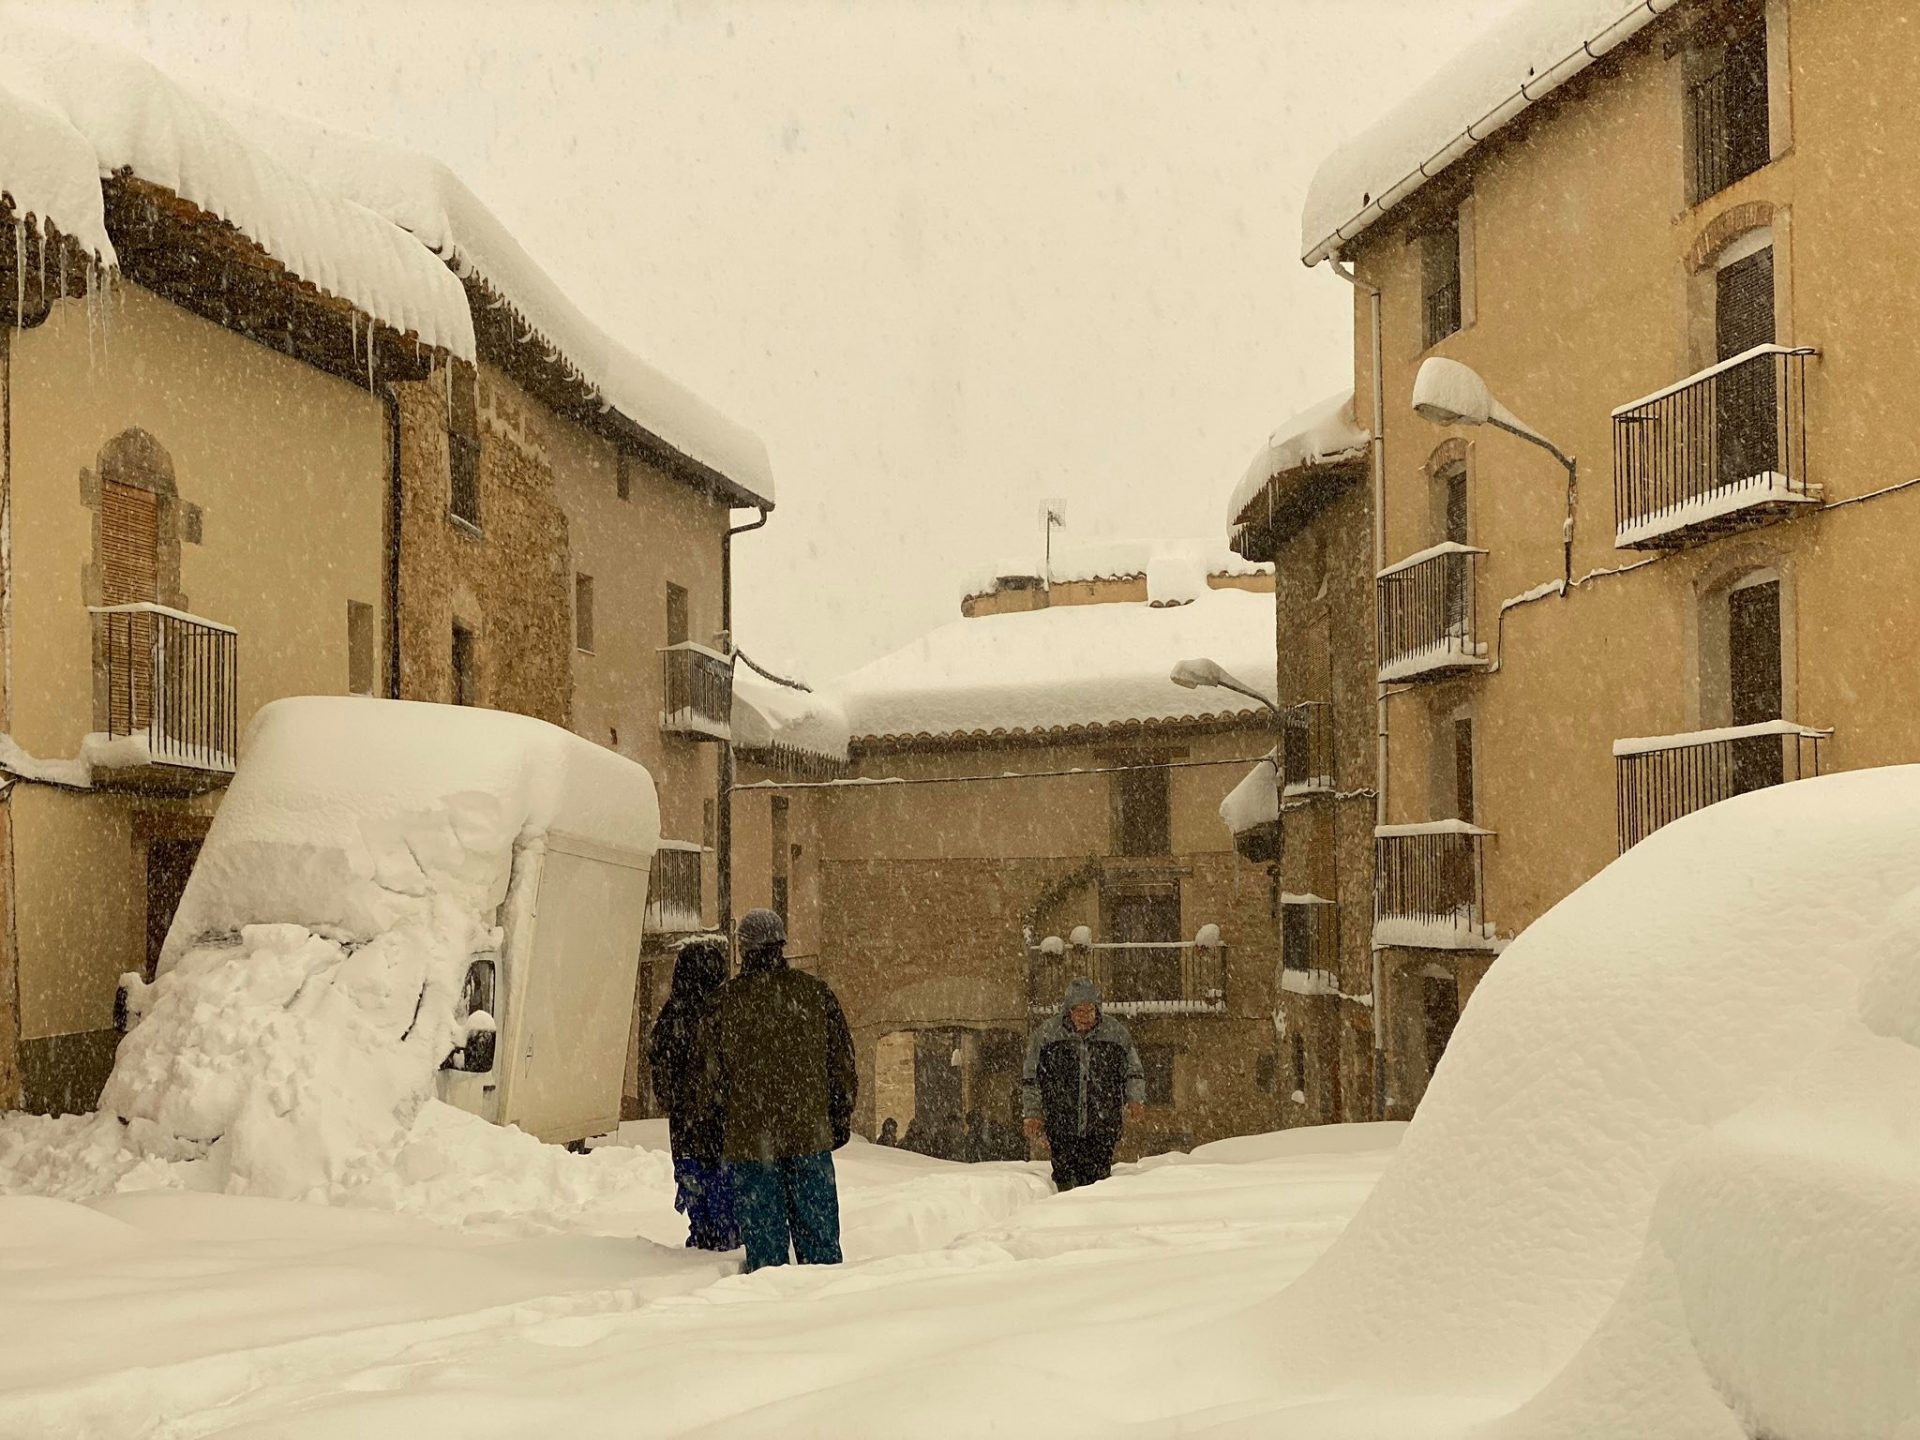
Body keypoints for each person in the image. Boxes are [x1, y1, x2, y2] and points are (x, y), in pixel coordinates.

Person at [706, 908, 857, 1272]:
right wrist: (838, 1116)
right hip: (809, 1136)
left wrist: (720, 1125)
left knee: (766, 1252)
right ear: (782, 945)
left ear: (743, 949)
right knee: (820, 1246)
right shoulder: (815, 994)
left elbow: (711, 1080)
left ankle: (773, 1319)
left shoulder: (725, 1001)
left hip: (751, 1141)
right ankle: (828, 1313)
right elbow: (842, 1065)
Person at [646, 938, 738, 1251]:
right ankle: (722, 1244)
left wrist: (685, 1104)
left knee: (698, 1196)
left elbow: (662, 1083)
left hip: (686, 1133)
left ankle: (703, 1239)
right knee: (725, 1201)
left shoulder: (671, 1018)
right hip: (722, 1130)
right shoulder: (725, 1015)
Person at [1021, 976, 1145, 1191]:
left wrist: (1135, 1098)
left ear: (1097, 1010)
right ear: (1068, 1011)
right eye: (1079, 1011)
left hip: (1102, 1124)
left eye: (1090, 1011)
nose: (1085, 1017)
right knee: (1065, 1181)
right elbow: (1032, 1077)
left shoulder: (1116, 1034)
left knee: (1098, 1184)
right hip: (1061, 1123)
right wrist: (1033, 1112)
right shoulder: (1047, 1035)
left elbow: (1133, 1070)